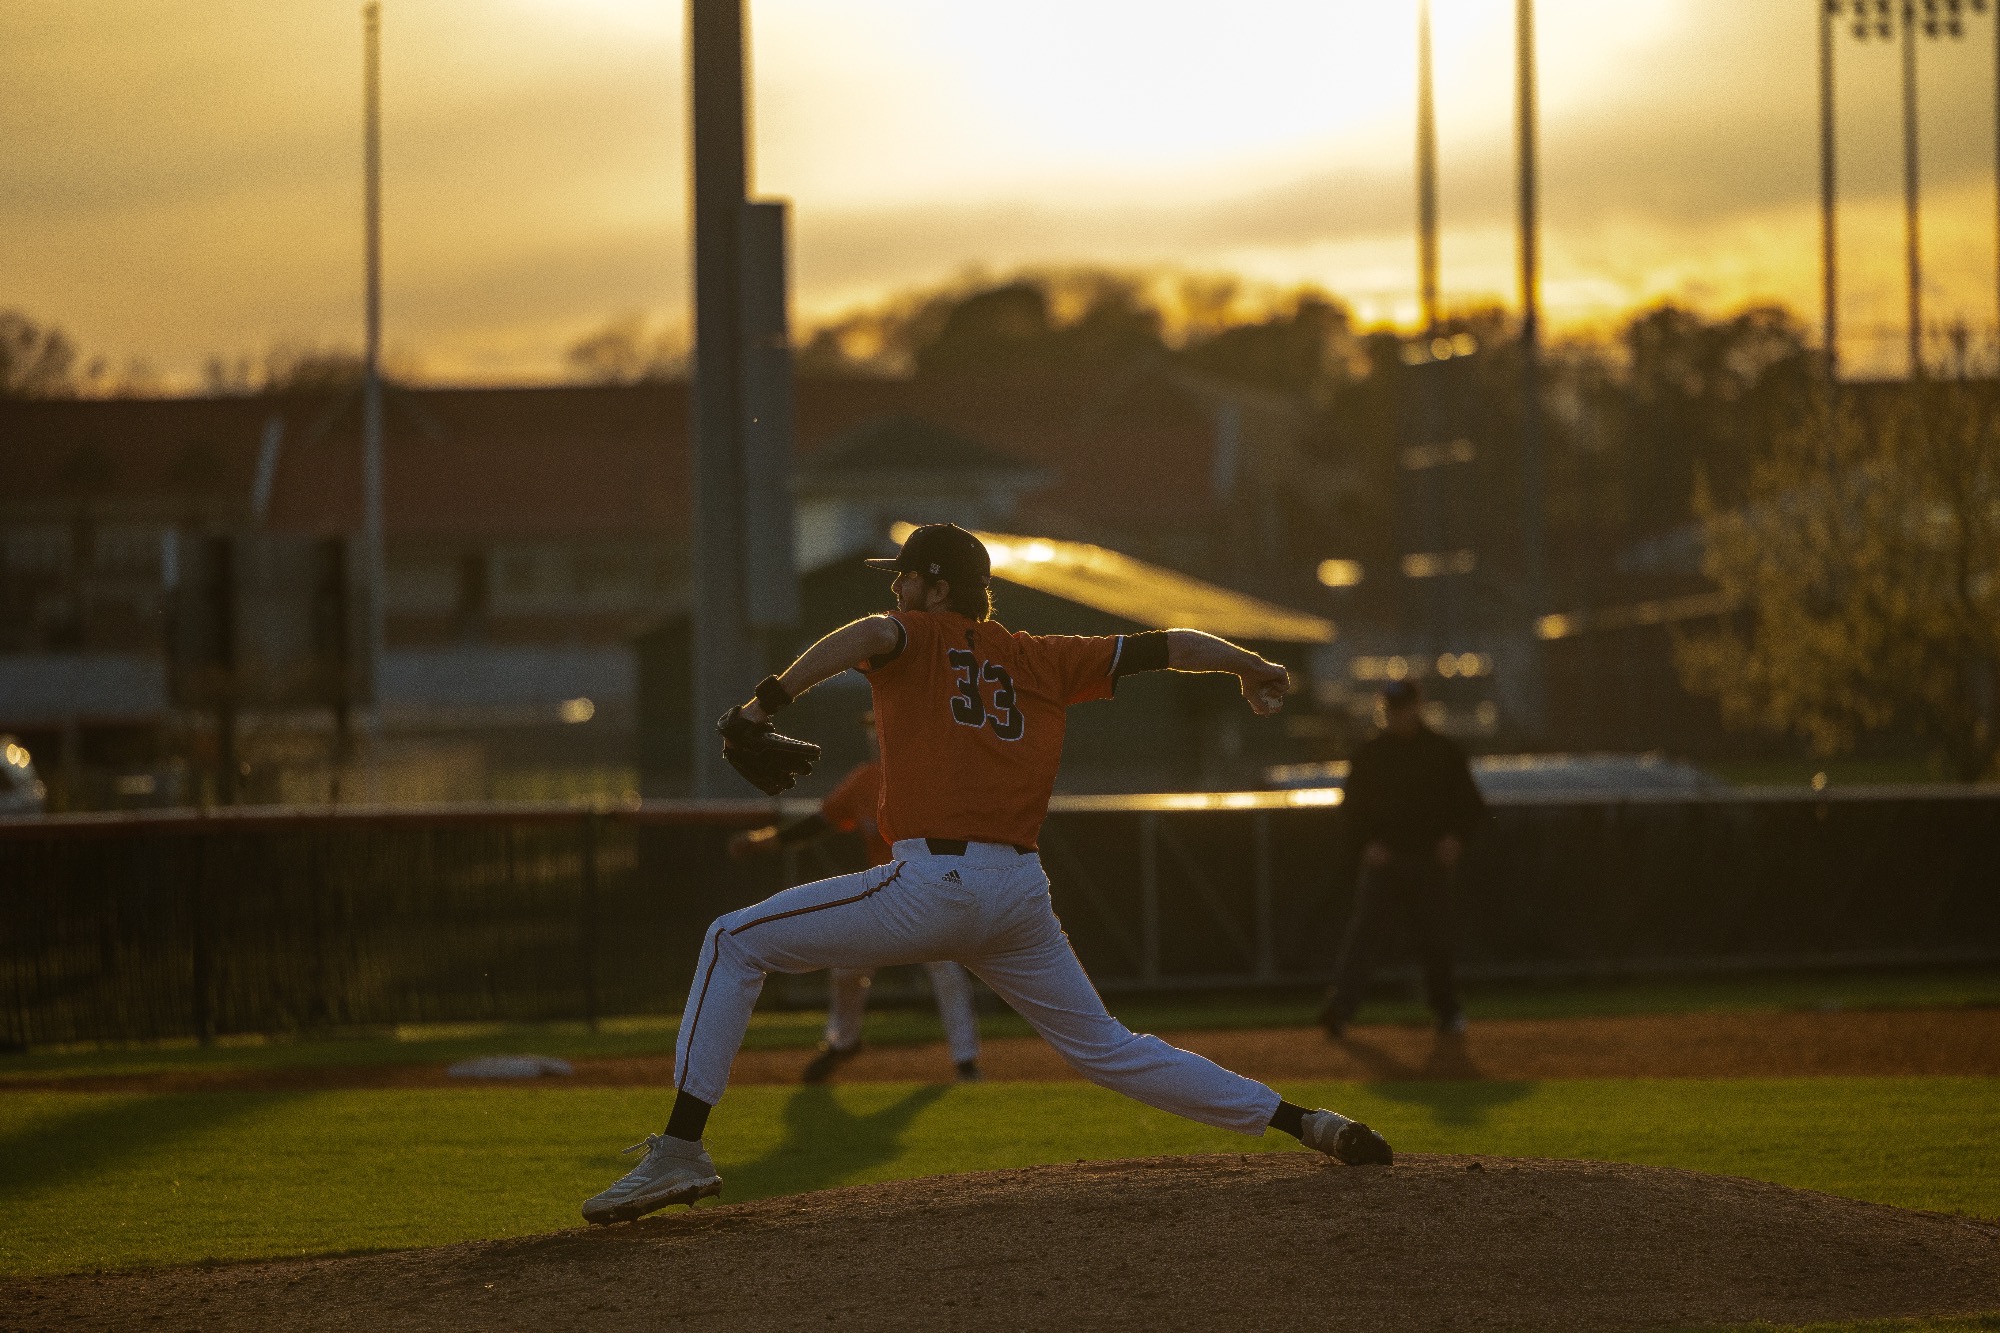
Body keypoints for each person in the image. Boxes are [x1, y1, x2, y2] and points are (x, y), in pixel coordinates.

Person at [583, 523, 1394, 1225]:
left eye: (907, 577)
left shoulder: (914, 633)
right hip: (1018, 895)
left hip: (932, 884)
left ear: (937, 587)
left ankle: (682, 1148)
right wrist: (1253, 665)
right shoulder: (1041, 656)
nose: (898, 589)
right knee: (1109, 1047)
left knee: (731, 939)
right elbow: (1173, 644)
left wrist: (763, 703)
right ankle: (1305, 1121)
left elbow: (869, 632)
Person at [729, 712, 984, 1083]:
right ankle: (843, 1042)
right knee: (847, 967)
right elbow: (817, 823)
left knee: (945, 970)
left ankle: (966, 1061)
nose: (876, 738)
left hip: (928, 889)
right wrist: (760, 841)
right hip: (882, 892)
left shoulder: (929, 777)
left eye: (882, 730)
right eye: (872, 731)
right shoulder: (866, 781)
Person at [1317, 678, 1486, 1041]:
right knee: (1364, 937)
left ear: (1417, 706)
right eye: (1392, 709)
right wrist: (1366, 845)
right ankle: (1340, 1011)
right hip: (1387, 860)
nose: (1397, 715)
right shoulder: (1371, 753)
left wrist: (1455, 839)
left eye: (1403, 707)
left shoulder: (1442, 750)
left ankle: (1447, 1011)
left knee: (1436, 939)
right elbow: (1351, 811)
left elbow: (1470, 807)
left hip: (1429, 860)